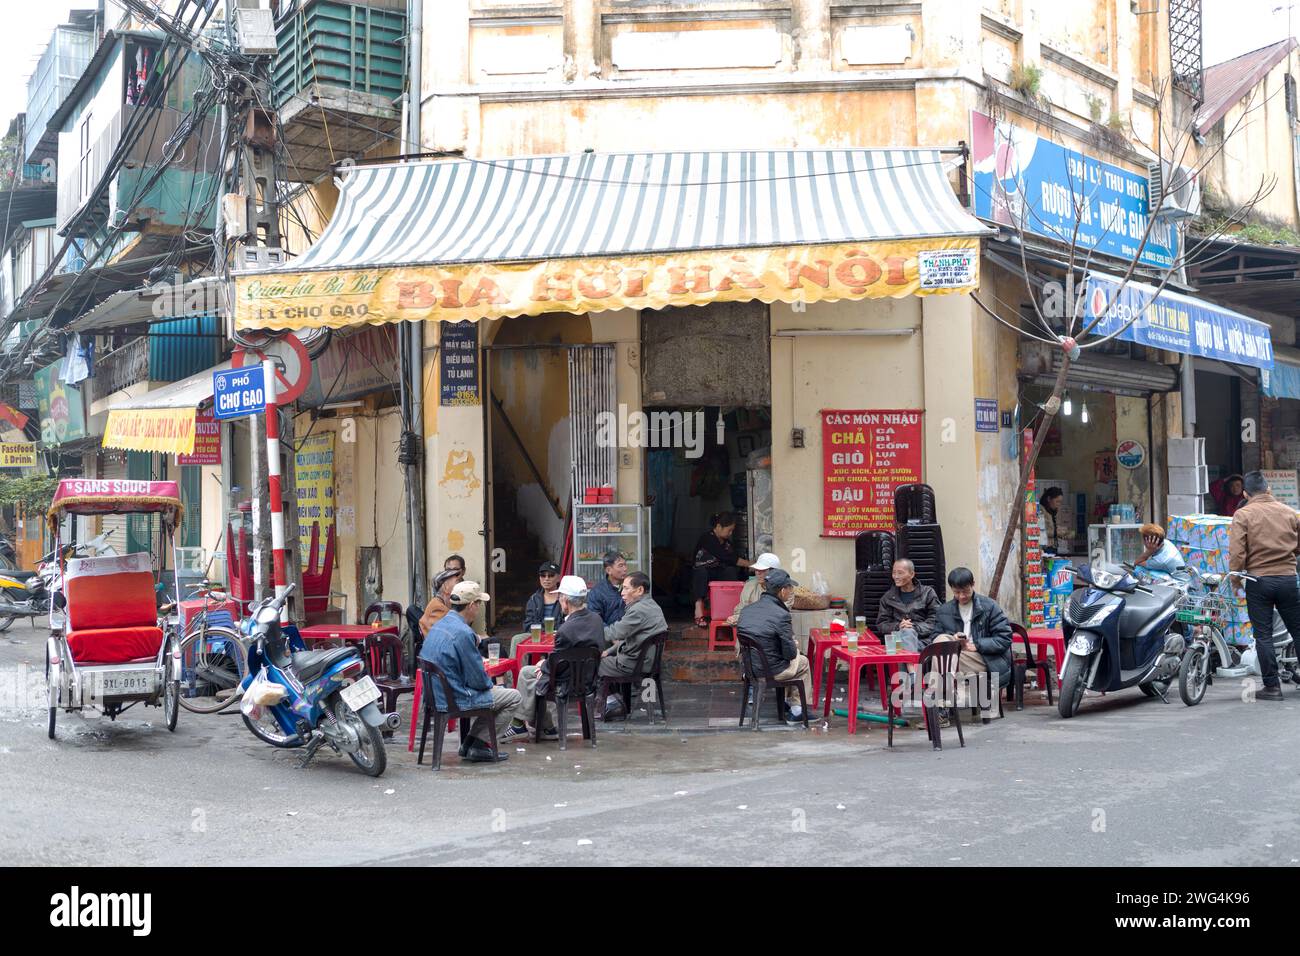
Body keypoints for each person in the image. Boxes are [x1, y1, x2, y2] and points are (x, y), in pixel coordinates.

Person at [418, 581, 520, 762]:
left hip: (435, 695)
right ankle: (479, 745)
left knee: (496, 697)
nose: (479, 608)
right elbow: (478, 680)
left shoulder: (440, 625)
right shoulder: (463, 632)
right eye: (479, 604)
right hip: (454, 697)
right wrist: (490, 686)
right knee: (512, 697)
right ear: (472, 606)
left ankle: (470, 743)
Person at [1228, 470, 1300, 701]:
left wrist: (1235, 580)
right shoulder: (1290, 513)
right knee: (1297, 630)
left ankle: (1272, 687)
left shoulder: (1243, 514)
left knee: (1263, 635)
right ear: (1268, 489)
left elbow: (1237, 553)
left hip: (1258, 581)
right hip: (1288, 578)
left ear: (1246, 493)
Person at [506, 575, 604, 740]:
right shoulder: (597, 620)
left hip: (565, 682)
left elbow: (556, 663)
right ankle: (545, 726)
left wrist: (543, 667)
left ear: (565, 600)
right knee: (535, 672)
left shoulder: (565, 629)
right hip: (588, 680)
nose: (559, 601)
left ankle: (520, 724)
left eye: (560, 597)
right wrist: (546, 664)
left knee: (526, 673)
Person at [931, 568, 1013, 720]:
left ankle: (942, 707)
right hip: (956, 656)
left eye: (965, 592)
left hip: (984, 658)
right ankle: (946, 702)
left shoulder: (989, 607)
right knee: (942, 643)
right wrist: (953, 638)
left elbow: (1005, 638)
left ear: (973, 585)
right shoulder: (944, 610)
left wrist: (978, 645)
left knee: (941, 656)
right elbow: (935, 638)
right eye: (956, 592)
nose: (961, 596)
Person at [737, 569, 812, 723]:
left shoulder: (746, 611)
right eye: (790, 588)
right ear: (783, 591)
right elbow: (790, 655)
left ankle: (785, 702)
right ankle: (797, 710)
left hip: (749, 669)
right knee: (802, 661)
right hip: (771, 671)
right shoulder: (781, 614)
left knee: (785, 658)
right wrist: (793, 645)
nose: (791, 591)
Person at [598, 571, 668, 718]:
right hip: (648, 662)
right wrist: (609, 651)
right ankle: (618, 702)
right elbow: (629, 637)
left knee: (592, 664)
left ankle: (612, 703)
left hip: (634, 664)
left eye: (626, 588)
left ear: (640, 590)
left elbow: (614, 632)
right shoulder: (652, 605)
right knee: (605, 658)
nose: (622, 593)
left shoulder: (638, 610)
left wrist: (590, 632)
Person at [692, 511, 752, 627]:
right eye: (729, 530)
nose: (730, 533)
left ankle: (729, 608)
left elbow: (732, 558)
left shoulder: (727, 543)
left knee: (730, 571)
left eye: (732, 530)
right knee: (701, 573)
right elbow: (727, 557)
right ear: (719, 526)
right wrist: (750, 564)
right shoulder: (707, 538)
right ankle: (698, 609)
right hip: (703, 572)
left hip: (717, 572)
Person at [875, 559, 940, 647]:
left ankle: (908, 658)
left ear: (912, 574)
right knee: (906, 634)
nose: (896, 576)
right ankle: (910, 659)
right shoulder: (888, 597)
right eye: (894, 573)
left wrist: (914, 627)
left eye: (900, 573)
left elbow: (936, 620)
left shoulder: (927, 593)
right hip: (897, 641)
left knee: (908, 632)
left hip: (924, 641)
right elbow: (882, 624)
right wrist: (899, 626)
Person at [508, 562, 565, 659]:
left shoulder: (564, 598)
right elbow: (528, 624)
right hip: (537, 635)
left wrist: (553, 632)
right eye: (543, 575)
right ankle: (515, 673)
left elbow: (568, 622)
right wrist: (542, 632)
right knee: (516, 639)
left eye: (551, 575)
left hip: (558, 636)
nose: (546, 579)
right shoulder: (534, 599)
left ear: (558, 578)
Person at [726, 552, 781, 626]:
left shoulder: (784, 589)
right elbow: (740, 609)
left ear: (774, 572)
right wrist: (736, 618)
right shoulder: (749, 586)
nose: (758, 573)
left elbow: (779, 615)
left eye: (762, 570)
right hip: (751, 629)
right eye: (756, 570)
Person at [587, 550, 629, 626]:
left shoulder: (631, 588)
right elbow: (595, 620)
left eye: (625, 565)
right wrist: (611, 635)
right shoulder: (597, 592)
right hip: (608, 635)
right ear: (608, 570)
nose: (625, 569)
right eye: (620, 566)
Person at [418, 568, 463, 637]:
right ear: (445, 587)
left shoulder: (441, 604)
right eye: (457, 582)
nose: (460, 586)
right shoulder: (438, 608)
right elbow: (453, 635)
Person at [1037, 487, 1072, 556]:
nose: (1059, 504)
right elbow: (1041, 531)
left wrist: (1064, 531)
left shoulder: (1052, 511)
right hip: (1045, 548)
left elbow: (1052, 526)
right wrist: (1059, 533)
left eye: (1060, 502)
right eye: (1057, 501)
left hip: (1053, 547)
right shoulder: (1041, 511)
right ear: (1049, 499)